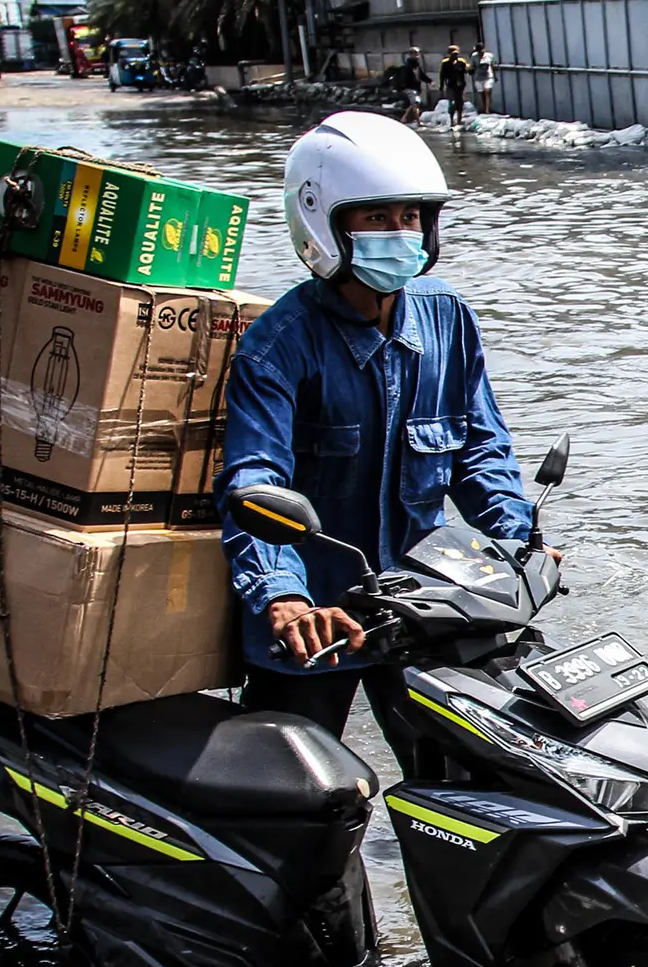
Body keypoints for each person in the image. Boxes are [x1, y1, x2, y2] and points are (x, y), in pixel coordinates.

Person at [219, 111, 547, 754]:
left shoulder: (448, 319)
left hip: (426, 606)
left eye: (410, 217)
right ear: (325, 226)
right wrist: (283, 595)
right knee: (296, 790)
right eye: (377, 218)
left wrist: (519, 541)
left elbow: (480, 449)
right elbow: (254, 479)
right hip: (318, 620)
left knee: (470, 778)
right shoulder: (278, 345)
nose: (400, 234)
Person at [439, 44, 470, 126]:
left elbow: (467, 71)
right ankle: (452, 121)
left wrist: (469, 68)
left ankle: (459, 120)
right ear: (449, 54)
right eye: (453, 54)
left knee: (460, 103)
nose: (455, 56)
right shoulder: (445, 63)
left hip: (460, 86)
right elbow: (442, 75)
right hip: (451, 86)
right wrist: (441, 86)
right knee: (452, 103)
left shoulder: (461, 62)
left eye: (456, 54)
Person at [398, 46, 429, 123]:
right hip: (410, 88)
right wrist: (405, 87)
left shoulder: (416, 65)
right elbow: (405, 78)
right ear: (411, 54)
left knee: (414, 104)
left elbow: (421, 76)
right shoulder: (408, 66)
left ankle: (404, 118)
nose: (417, 55)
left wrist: (430, 81)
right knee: (415, 104)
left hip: (415, 88)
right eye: (416, 54)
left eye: (418, 53)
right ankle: (418, 122)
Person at [472, 46, 497, 115]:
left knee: (487, 91)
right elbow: (472, 66)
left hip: (488, 76)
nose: (481, 53)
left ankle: (487, 110)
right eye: (479, 52)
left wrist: (495, 76)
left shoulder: (489, 56)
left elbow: (493, 66)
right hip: (478, 77)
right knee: (482, 94)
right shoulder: (474, 56)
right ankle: (484, 107)